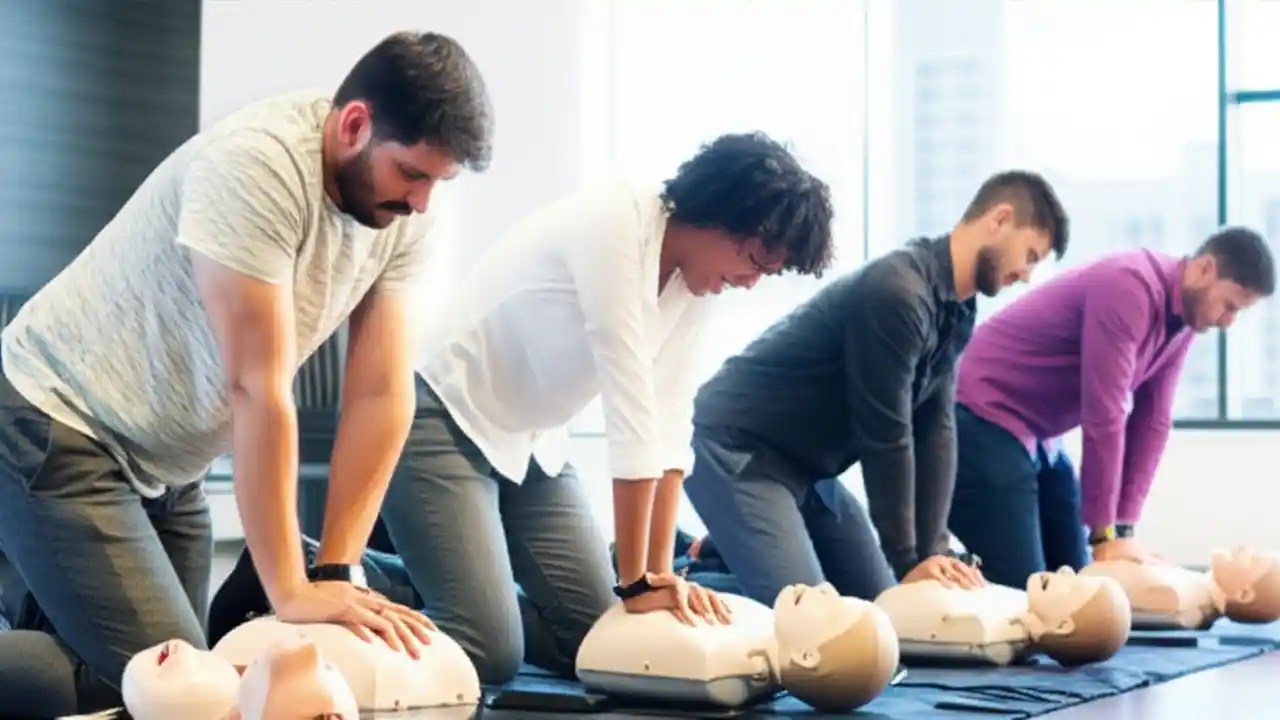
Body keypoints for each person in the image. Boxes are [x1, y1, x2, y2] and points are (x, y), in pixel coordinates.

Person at [0, 30, 491, 715]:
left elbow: (380, 390)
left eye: (439, 182)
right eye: (413, 174)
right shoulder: (255, 167)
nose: (422, 203)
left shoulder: (407, 216)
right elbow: (257, 388)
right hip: (59, 424)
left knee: (187, 659)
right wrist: (289, 588)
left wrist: (333, 572)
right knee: (170, 693)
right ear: (355, 125)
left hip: (168, 466)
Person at [374, 132, 832, 684]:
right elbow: (630, 407)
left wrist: (658, 576)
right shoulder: (616, 223)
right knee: (490, 649)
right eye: (757, 260)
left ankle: (464, 583)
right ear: (721, 219)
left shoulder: (697, 283)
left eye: (769, 273)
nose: (751, 281)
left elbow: (669, 421)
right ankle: (350, 576)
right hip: (443, 415)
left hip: (533, 442)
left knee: (602, 643)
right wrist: (635, 581)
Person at [682, 170, 1070, 608]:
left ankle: (719, 550)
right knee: (814, 619)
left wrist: (935, 550)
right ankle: (680, 575)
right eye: (1031, 254)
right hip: (736, 447)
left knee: (879, 608)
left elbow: (936, 431)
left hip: (808, 471)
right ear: (1000, 220)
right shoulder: (898, 290)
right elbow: (885, 435)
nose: (1026, 275)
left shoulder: (959, 310)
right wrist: (908, 562)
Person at [947, 227, 1275, 588]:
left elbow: (1153, 421)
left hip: (1036, 434)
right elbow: (1106, 410)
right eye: (1230, 306)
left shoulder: (1183, 322)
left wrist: (1123, 529)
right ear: (1204, 269)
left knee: (1079, 581)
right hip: (976, 411)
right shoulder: (1129, 284)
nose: (1228, 321)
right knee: (1028, 588)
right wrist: (1104, 536)